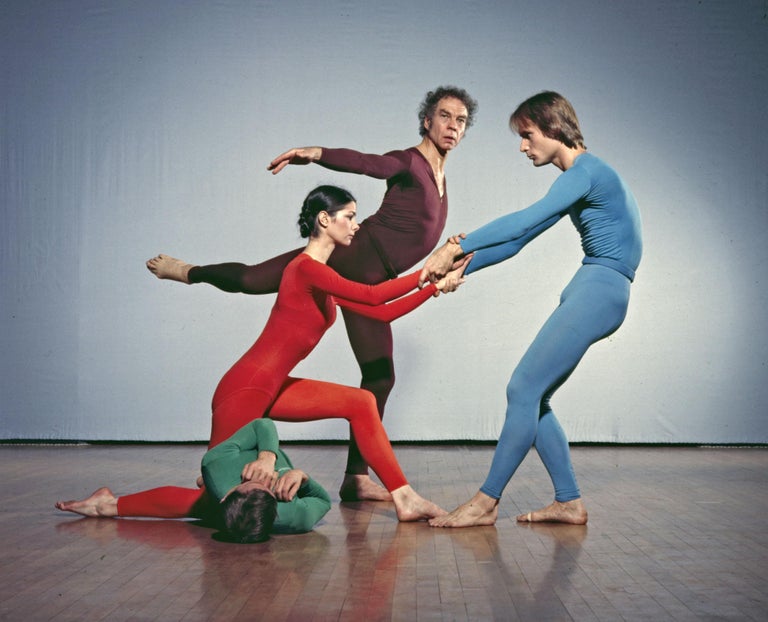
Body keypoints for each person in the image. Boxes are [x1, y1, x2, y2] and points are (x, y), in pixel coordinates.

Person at [147, 86, 478, 502]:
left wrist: (435, 282)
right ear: (427, 121)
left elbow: (385, 299)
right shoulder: (409, 163)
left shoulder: (442, 178)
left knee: (379, 376)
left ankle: (356, 479)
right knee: (252, 279)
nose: (452, 126)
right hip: (354, 253)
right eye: (444, 116)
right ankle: (187, 271)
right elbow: (367, 164)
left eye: (461, 120)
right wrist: (316, 153)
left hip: (372, 278)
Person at [421, 91, 643, 528]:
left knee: (522, 388)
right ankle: (568, 502)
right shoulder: (580, 177)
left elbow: (522, 220)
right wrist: (464, 266)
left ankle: (486, 502)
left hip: (600, 289)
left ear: (552, 127)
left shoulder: (585, 172)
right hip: (595, 288)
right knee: (533, 396)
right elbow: (522, 239)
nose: (523, 146)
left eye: (527, 135)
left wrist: (454, 246)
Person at [55, 417, 331, 543]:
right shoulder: (293, 516)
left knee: (203, 504)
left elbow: (262, 424)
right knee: (204, 499)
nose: (268, 481)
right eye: (267, 487)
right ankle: (107, 504)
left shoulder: (216, 466)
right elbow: (324, 500)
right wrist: (296, 474)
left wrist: (275, 462)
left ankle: (106, 505)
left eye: (263, 485)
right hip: (238, 430)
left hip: (231, 436)